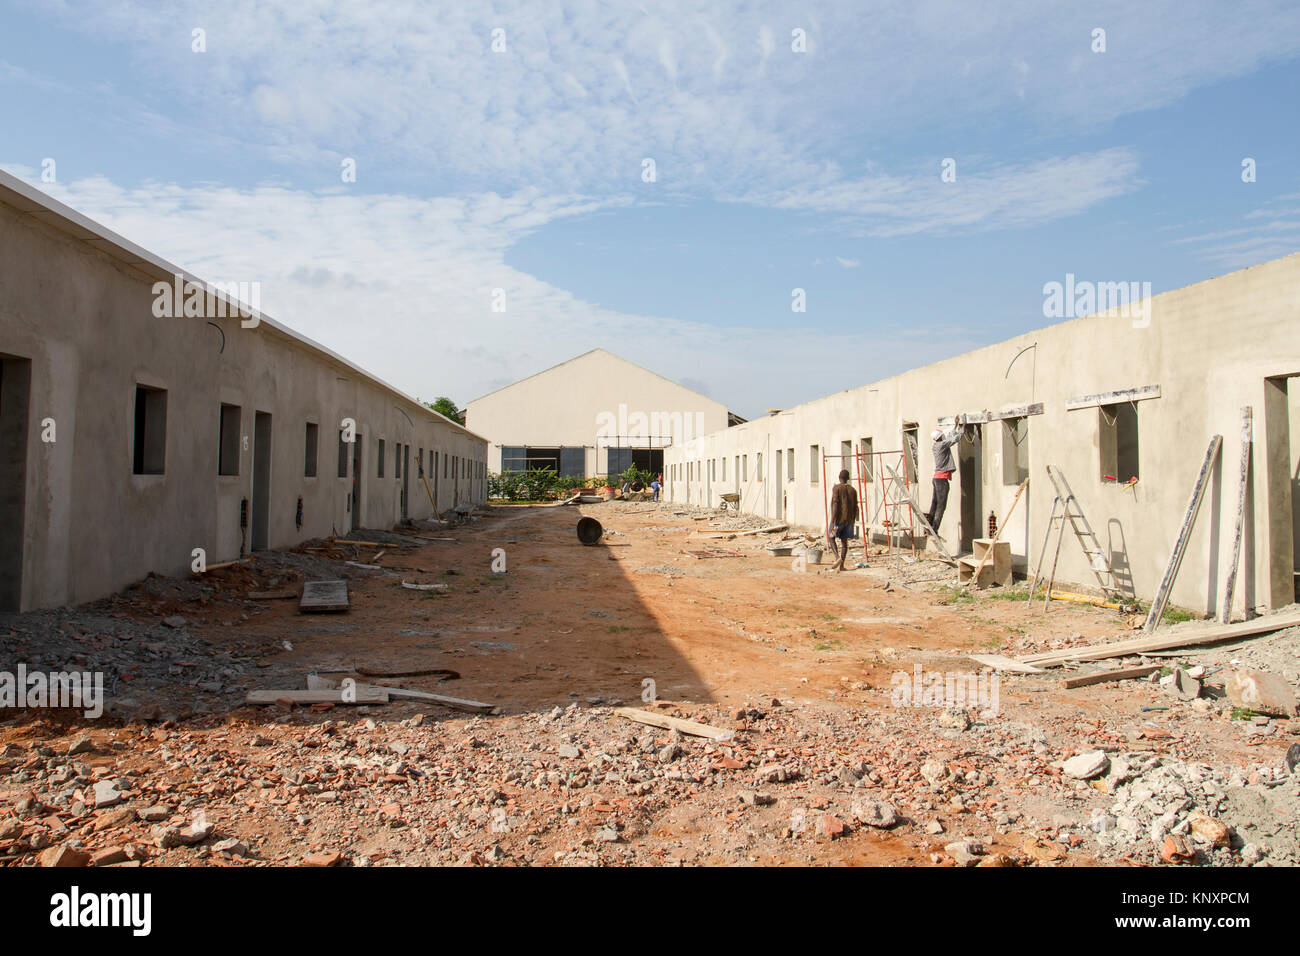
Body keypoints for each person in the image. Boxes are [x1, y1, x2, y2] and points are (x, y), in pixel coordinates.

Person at [926, 421, 963, 535]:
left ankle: (929, 526)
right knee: (941, 506)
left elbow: (949, 437)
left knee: (935, 503)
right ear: (940, 437)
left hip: (937, 478)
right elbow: (955, 439)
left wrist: (955, 426)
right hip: (942, 480)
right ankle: (935, 529)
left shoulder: (936, 445)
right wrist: (962, 429)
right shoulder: (942, 445)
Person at [828, 469, 858, 571]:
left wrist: (832, 521)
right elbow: (856, 507)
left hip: (838, 519)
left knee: (831, 537)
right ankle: (841, 566)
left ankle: (837, 558)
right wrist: (853, 520)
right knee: (844, 542)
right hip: (849, 521)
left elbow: (836, 504)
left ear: (839, 477)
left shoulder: (836, 488)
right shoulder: (853, 490)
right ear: (848, 479)